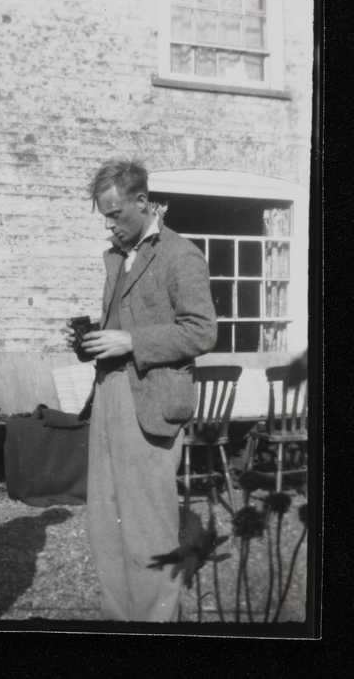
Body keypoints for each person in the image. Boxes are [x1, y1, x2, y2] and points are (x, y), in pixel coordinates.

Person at [73, 158, 217, 622]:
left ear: (142, 201)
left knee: (149, 528)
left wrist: (131, 341)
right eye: (104, 217)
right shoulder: (117, 256)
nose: (110, 225)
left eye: (115, 214)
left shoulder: (181, 254)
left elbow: (201, 332)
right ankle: (120, 624)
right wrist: (95, 341)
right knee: (106, 521)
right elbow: (122, 327)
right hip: (110, 394)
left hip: (152, 403)